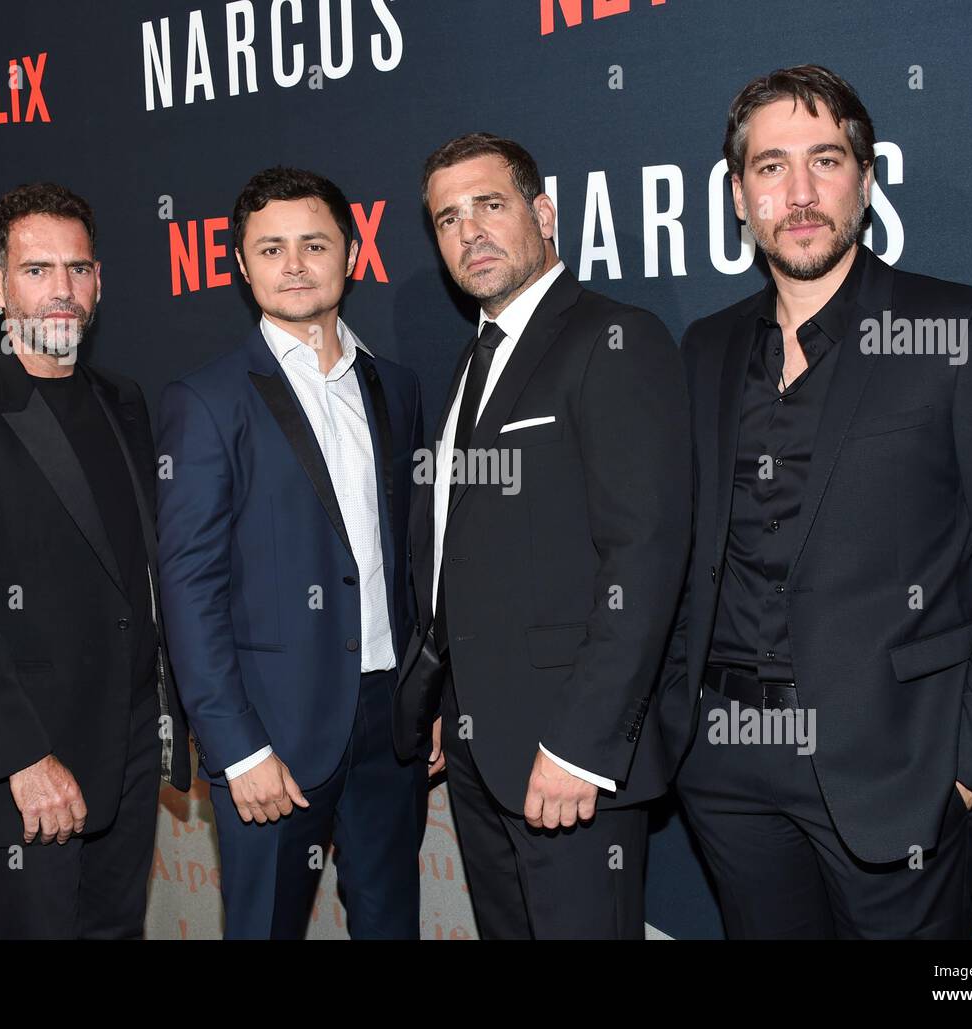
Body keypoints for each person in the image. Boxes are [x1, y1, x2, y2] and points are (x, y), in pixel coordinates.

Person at [660, 65, 972, 938]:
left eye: (826, 160)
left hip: (894, 765)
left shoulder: (964, 332)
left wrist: (967, 768)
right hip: (725, 767)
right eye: (771, 167)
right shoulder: (703, 349)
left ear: (866, 177)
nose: (801, 191)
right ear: (739, 197)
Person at [394, 133, 691, 938]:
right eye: (448, 218)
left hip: (569, 758)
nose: (470, 232)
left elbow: (648, 556)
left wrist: (584, 745)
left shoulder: (615, 339)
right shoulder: (471, 363)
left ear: (543, 212)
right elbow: (461, 555)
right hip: (477, 755)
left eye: (490, 205)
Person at [0, 183, 190, 939]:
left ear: (100, 281)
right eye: (37, 271)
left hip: (128, 744)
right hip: (33, 758)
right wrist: (22, 758)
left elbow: (139, 576)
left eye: (79, 269)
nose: (62, 290)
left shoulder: (122, 399)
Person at [158, 167, 425, 939]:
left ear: (351, 252)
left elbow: (412, 558)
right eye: (270, 248)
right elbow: (189, 585)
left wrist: (426, 693)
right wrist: (237, 748)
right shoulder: (208, 400)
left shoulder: (397, 388)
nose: (295, 264)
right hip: (273, 728)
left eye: (314, 243)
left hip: (389, 722)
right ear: (241, 266)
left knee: (391, 923)